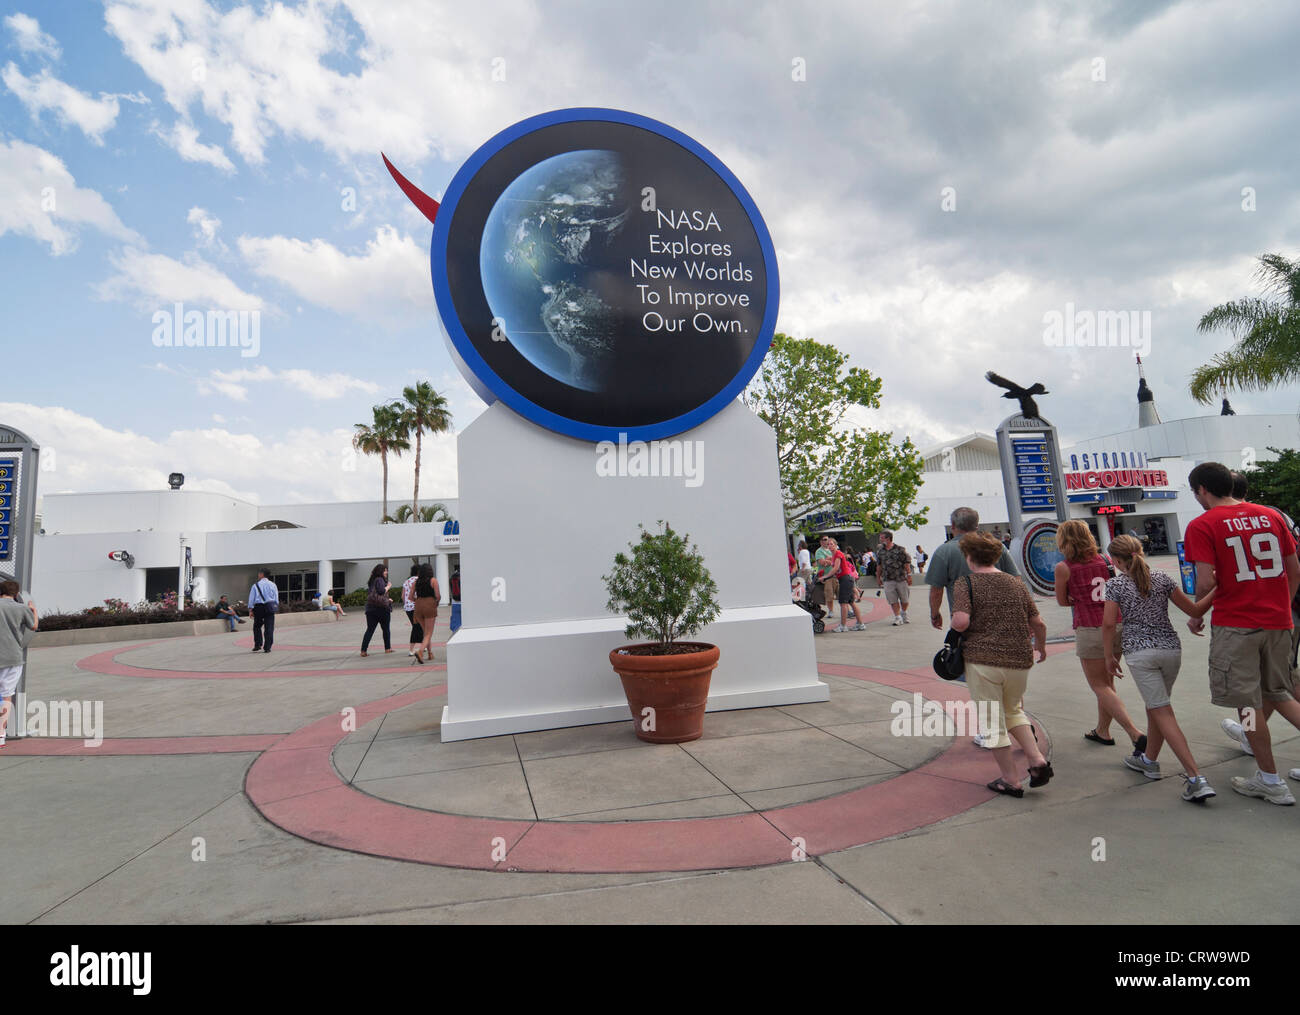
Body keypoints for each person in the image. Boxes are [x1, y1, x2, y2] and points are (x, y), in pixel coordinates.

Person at [1184, 462, 1300, 803]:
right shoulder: (1271, 516)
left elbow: (1205, 581)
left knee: (1246, 704)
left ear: (1203, 489)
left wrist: (1199, 610)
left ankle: (1270, 780)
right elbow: (1294, 570)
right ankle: (1269, 779)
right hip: (1279, 622)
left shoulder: (1203, 525)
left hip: (1237, 626)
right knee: (1279, 694)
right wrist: (1281, 603)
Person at [1102, 535, 1217, 801]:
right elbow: (1195, 608)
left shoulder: (1116, 584)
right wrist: (1219, 587)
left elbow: (1108, 624)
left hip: (1140, 653)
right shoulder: (1163, 579)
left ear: (1117, 561)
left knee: (1162, 710)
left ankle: (1195, 777)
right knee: (1157, 705)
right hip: (1170, 650)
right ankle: (1149, 760)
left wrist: (1109, 656)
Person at [950, 531, 1052, 796]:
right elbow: (1038, 622)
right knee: (1013, 710)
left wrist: (953, 623)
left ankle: (1010, 779)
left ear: (970, 558)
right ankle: (1037, 760)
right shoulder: (1015, 583)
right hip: (1018, 658)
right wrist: (1040, 645)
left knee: (992, 720)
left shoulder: (966, 583)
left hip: (983, 661)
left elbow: (961, 622)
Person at [1055, 520, 1146, 754]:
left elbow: (1062, 600)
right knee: (1107, 684)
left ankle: (1135, 733)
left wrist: (1076, 598)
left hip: (1090, 627)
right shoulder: (1105, 561)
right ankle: (1102, 731)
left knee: (1099, 686)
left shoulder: (1064, 567)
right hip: (1115, 623)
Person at [927, 507, 1022, 630]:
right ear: (976, 526)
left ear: (953, 525)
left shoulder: (943, 552)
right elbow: (1016, 580)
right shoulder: (997, 546)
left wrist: (935, 614)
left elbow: (936, 591)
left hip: (966, 625)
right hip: (1001, 621)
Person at [0, 580, 37, 747]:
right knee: (7, 695)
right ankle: (1, 734)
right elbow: (33, 626)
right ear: (16, 594)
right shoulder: (21, 608)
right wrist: (34, 610)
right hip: (13, 657)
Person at [827, 537, 866, 632]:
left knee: (843, 603)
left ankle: (843, 626)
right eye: (828, 544)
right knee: (851, 602)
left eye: (832, 544)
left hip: (845, 579)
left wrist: (825, 577)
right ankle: (860, 624)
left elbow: (836, 568)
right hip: (845, 579)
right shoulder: (834, 556)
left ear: (836, 545)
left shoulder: (838, 554)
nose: (830, 545)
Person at [875, 530, 913, 626]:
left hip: (901, 578)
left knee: (905, 600)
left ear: (888, 539)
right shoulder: (880, 551)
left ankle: (903, 612)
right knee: (892, 600)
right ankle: (897, 617)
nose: (880, 539)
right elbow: (879, 565)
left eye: (882, 538)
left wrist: (909, 575)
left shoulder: (900, 549)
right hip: (888, 579)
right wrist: (878, 578)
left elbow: (907, 563)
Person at [360, 563, 393, 657]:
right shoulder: (380, 579)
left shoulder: (372, 581)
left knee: (370, 630)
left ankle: (363, 650)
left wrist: (387, 599)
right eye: (385, 570)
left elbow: (374, 594)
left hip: (370, 609)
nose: (386, 572)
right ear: (381, 571)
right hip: (382, 609)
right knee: (386, 629)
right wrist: (388, 586)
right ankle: (387, 648)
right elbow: (381, 591)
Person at [413, 562, 440, 663]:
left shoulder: (416, 582)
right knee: (429, 633)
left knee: (425, 632)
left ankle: (430, 653)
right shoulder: (433, 581)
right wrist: (436, 602)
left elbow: (411, 597)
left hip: (418, 605)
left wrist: (418, 602)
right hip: (429, 605)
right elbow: (438, 596)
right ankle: (420, 652)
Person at [248, 567, 279, 653]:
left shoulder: (255, 585)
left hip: (259, 607)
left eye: (259, 573)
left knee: (257, 626)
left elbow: (251, 599)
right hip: (270, 607)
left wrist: (250, 609)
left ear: (262, 574)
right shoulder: (273, 585)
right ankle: (267, 647)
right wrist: (275, 607)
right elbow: (276, 598)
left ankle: (258, 644)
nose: (258, 575)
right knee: (269, 627)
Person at [813, 535, 839, 617]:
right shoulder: (819, 551)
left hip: (837, 575)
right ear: (821, 541)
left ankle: (848, 610)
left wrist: (828, 559)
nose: (827, 541)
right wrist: (831, 560)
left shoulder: (832, 549)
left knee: (841, 594)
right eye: (825, 539)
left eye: (828, 539)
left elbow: (838, 559)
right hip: (827, 576)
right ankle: (831, 611)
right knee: (829, 595)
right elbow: (822, 563)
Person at [402, 564, 423, 659]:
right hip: (416, 607)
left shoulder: (406, 581)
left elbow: (403, 596)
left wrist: (407, 604)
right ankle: (411, 649)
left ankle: (423, 645)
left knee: (419, 626)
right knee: (417, 627)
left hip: (408, 608)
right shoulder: (418, 580)